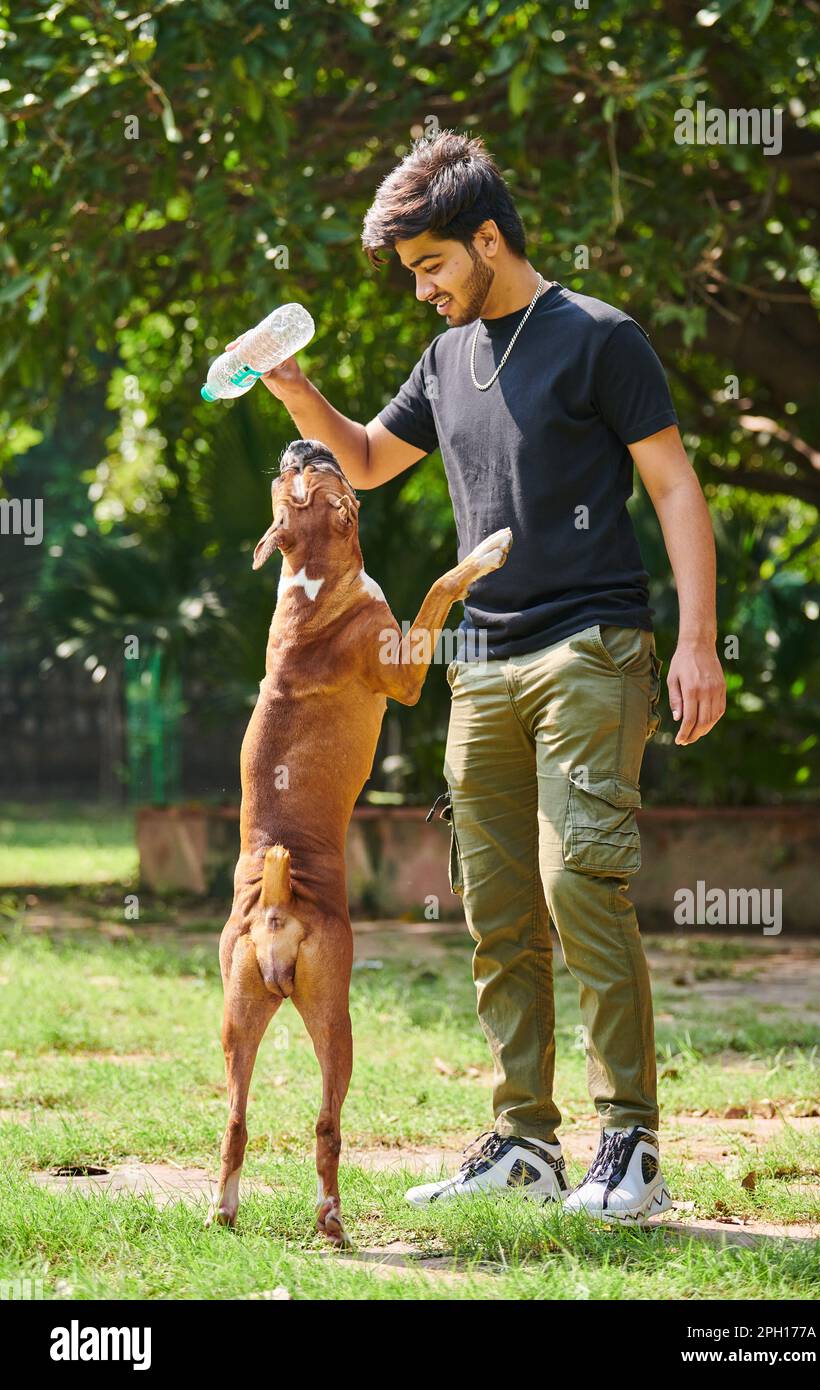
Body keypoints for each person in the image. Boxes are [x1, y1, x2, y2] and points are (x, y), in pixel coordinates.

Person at [239, 129, 726, 1224]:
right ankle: (522, 1140)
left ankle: (630, 1147)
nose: (422, 289)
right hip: (482, 661)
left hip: (589, 649)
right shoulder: (446, 359)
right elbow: (364, 459)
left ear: (488, 237)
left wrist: (695, 643)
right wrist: (294, 389)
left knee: (577, 882)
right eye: (412, 271)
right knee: (498, 905)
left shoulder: (598, 339)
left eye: (431, 266)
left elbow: (675, 489)